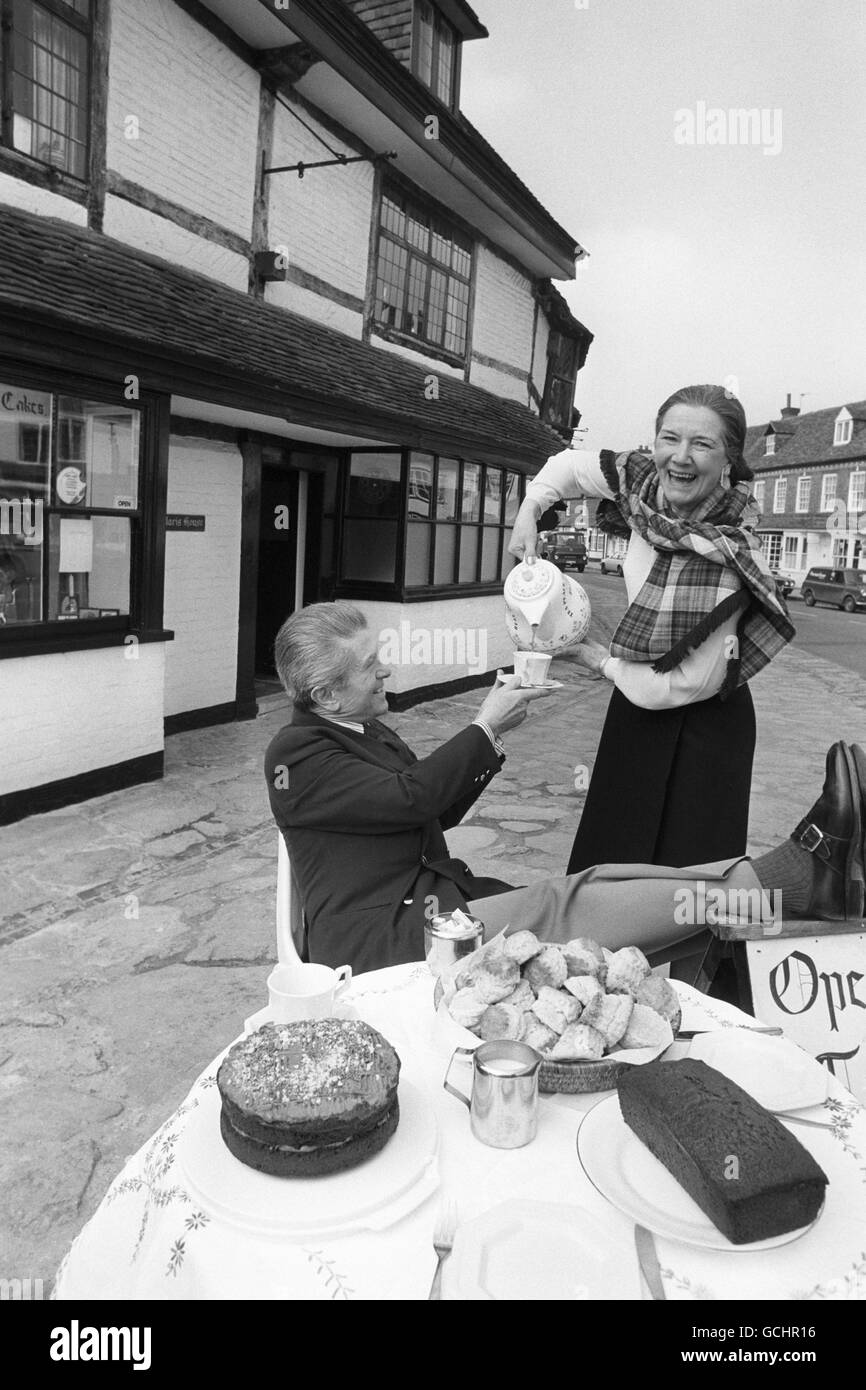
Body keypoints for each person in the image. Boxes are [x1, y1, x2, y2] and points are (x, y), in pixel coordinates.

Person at [265, 602, 865, 972]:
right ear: (325, 694)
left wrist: (493, 738)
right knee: (564, 906)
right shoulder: (297, 753)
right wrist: (483, 725)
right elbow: (412, 798)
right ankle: (790, 882)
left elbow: (433, 816)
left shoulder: (360, 730)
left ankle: (774, 896)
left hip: (425, 913)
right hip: (385, 943)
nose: (387, 671)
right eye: (371, 665)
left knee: (588, 892)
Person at [508, 383, 796, 878]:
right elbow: (568, 465)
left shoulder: (728, 553)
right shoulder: (639, 483)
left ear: (729, 457)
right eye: (670, 438)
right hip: (636, 705)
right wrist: (529, 511)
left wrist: (595, 658)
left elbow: (680, 685)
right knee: (611, 858)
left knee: (691, 888)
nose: (680, 458)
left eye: (702, 444)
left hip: (707, 720)